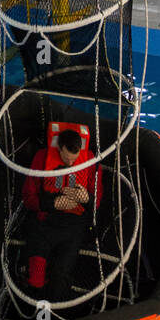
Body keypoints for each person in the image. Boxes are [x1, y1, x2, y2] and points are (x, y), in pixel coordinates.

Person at [22, 127, 103, 307]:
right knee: (35, 275)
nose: (70, 163)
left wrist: (86, 199)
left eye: (74, 159)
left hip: (72, 227)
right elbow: (28, 197)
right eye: (66, 158)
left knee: (61, 277)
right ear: (59, 148)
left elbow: (96, 202)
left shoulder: (90, 161)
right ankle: (33, 317)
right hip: (44, 222)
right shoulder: (41, 158)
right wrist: (52, 204)